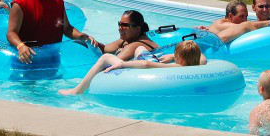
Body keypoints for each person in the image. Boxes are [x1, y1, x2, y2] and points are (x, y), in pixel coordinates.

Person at [6, 0, 102, 63]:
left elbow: (67, 28)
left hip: (52, 60)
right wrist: (20, 46)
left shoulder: (58, 1)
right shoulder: (20, 3)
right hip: (28, 61)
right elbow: (11, 33)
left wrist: (82, 36)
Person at [61, 39, 203, 96]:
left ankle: (76, 90)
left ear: (181, 58)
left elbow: (146, 64)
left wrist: (121, 64)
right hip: (151, 59)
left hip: (148, 63)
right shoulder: (198, 65)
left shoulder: (176, 68)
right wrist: (172, 57)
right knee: (140, 47)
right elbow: (203, 57)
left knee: (105, 58)